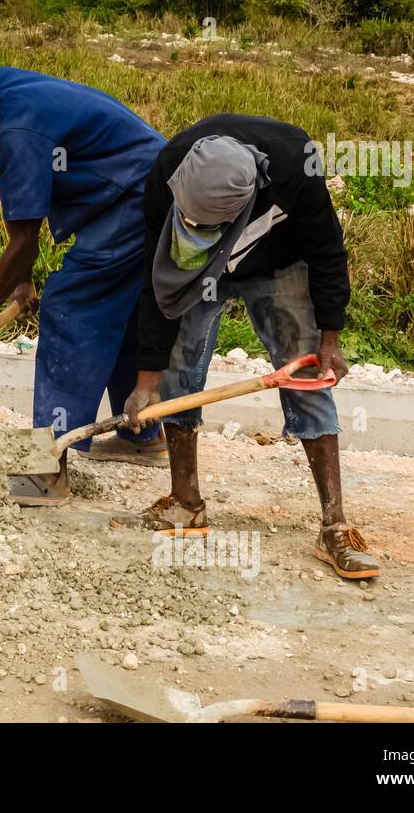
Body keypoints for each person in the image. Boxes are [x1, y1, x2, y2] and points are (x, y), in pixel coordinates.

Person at [0, 48, 165, 505]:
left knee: (71, 310)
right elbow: (20, 208)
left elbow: (25, 241)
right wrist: (20, 281)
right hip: (127, 188)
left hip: (136, 195)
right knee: (114, 309)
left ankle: (49, 467)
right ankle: (142, 434)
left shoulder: (16, 127)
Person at [123, 113, 379, 580]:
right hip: (196, 271)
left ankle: (335, 525)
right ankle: (186, 504)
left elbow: (327, 249)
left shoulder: (294, 163)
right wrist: (147, 382)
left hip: (278, 265)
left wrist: (329, 338)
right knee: (180, 371)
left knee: (306, 379)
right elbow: (155, 286)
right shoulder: (167, 172)